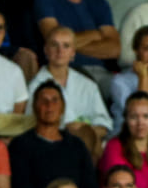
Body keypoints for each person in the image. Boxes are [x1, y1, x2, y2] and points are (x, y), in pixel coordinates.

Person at [33, 0, 118, 93]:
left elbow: (114, 49)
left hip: (100, 74)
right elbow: (54, 41)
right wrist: (95, 34)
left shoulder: (98, 3)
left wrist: (68, 45)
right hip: (63, 70)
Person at [7, 84, 98, 188]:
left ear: (62, 108)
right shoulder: (20, 145)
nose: (49, 105)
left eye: (55, 100)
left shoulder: (77, 146)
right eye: (44, 100)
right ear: (34, 107)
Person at [26, 25, 113, 157]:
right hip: (50, 147)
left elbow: (104, 124)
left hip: (87, 147)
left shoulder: (87, 85)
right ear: (46, 50)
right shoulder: (35, 86)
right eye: (54, 45)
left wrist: (85, 132)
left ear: (73, 53)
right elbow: (31, 125)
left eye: (66, 46)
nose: (60, 51)